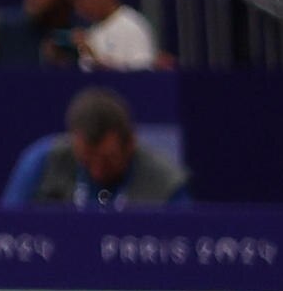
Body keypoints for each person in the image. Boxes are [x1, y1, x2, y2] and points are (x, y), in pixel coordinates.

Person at [11, 85, 185, 208]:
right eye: (86, 161)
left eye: (108, 161)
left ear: (130, 143)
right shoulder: (41, 163)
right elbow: (9, 231)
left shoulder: (166, 183)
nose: (97, 171)